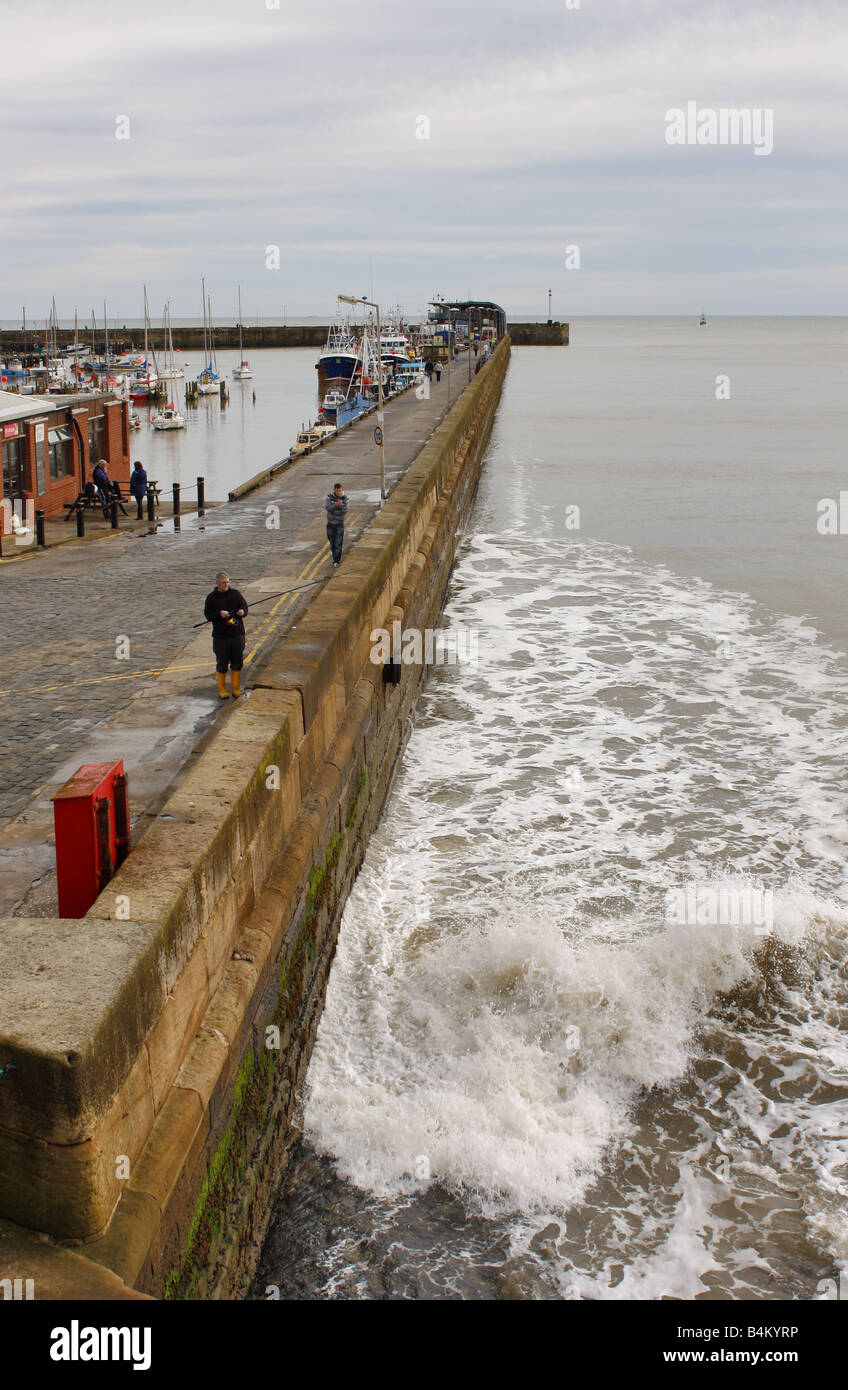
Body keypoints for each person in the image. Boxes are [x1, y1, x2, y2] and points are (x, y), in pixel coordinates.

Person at [203, 570, 248, 700]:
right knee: (222, 663)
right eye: (223, 583)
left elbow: (245, 607)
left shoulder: (235, 594)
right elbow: (208, 615)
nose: (226, 585)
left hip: (237, 634)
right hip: (220, 637)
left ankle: (235, 689)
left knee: (237, 662)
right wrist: (219, 614)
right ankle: (222, 690)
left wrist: (242, 612)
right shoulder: (211, 598)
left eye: (227, 582)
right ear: (217, 583)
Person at [325, 482, 347, 567]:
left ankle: (336, 560)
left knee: (338, 542)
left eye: (340, 491)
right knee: (332, 543)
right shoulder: (329, 497)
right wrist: (336, 505)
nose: (339, 492)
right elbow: (328, 508)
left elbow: (344, 510)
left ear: (342, 490)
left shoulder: (345, 498)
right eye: (337, 491)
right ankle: (335, 556)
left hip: (339, 524)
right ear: (334, 490)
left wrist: (338, 506)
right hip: (330, 523)